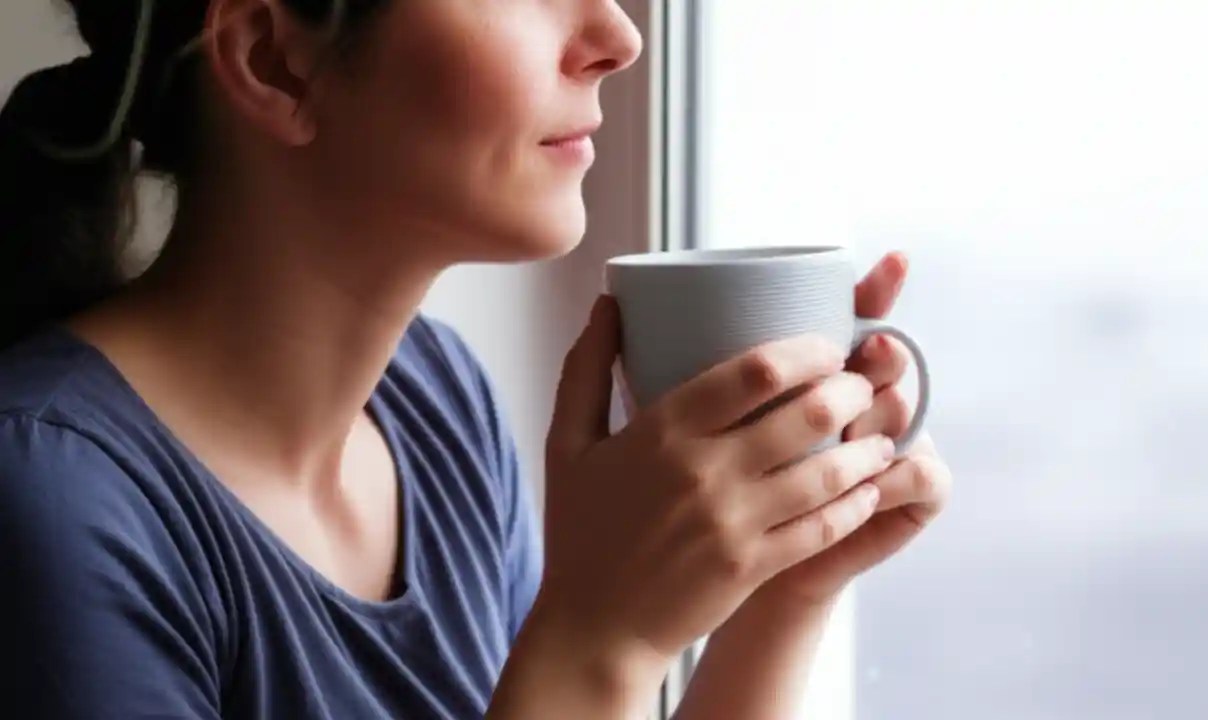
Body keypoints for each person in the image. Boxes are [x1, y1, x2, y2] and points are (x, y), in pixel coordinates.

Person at [0, 0, 953, 718]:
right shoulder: (49, 504)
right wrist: (599, 639)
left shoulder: (435, 403)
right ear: (274, 62)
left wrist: (786, 588)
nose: (617, 35)